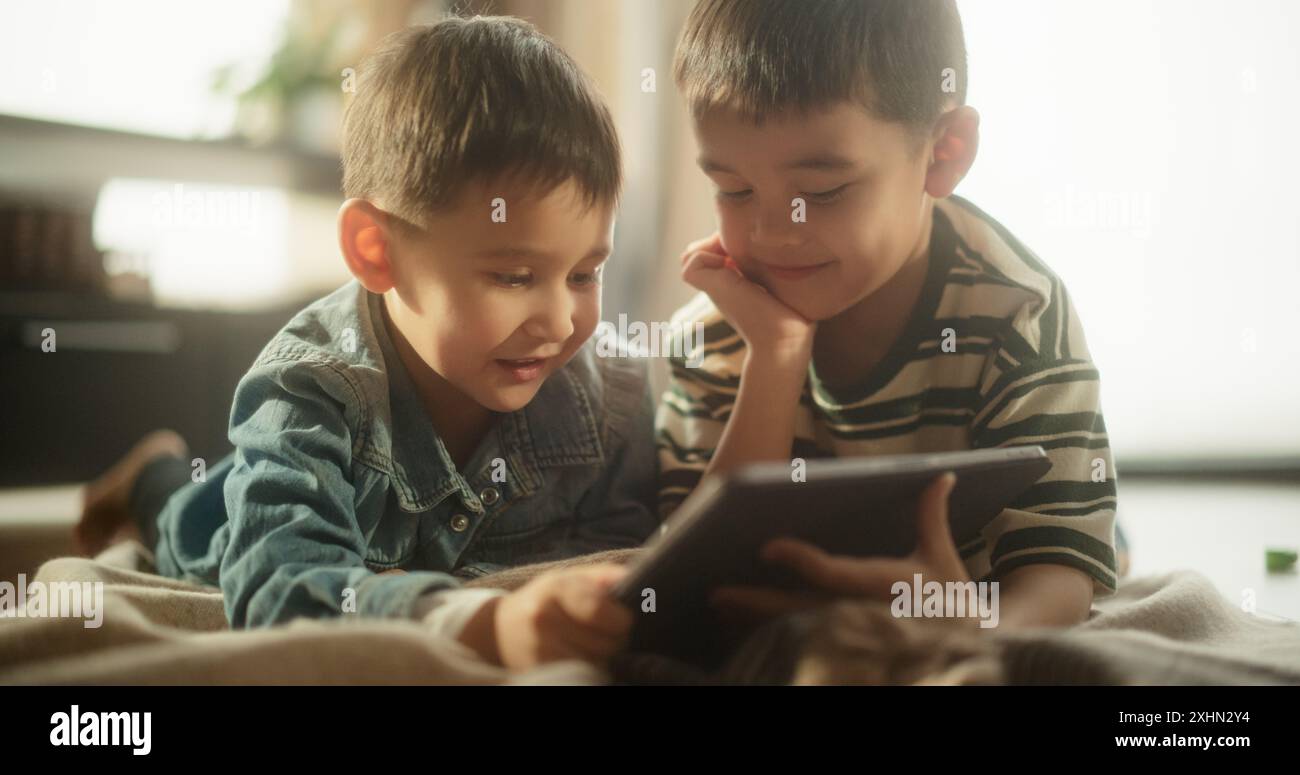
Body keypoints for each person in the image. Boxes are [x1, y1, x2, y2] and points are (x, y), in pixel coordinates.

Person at [76, 16, 654, 672]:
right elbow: (282, 585)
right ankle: (152, 477)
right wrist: (474, 619)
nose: (557, 321)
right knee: (194, 519)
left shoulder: (616, 395)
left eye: (585, 274)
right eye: (514, 276)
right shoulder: (306, 387)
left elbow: (622, 551)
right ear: (375, 251)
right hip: (229, 517)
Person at [656, 0, 1130, 632]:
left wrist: (968, 629)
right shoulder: (718, 329)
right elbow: (686, 573)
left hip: (962, 587)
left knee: (1094, 543)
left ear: (943, 153)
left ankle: (1117, 535)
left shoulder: (1020, 314)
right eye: (733, 190)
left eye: (822, 192)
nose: (771, 234)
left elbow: (1055, 582)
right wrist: (774, 358)